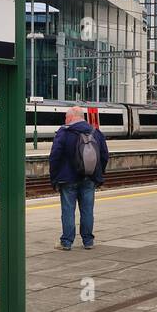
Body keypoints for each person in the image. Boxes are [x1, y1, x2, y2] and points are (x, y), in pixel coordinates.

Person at [49, 105, 110, 250]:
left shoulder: (64, 132)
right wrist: (97, 174)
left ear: (70, 117)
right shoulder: (96, 132)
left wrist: (54, 178)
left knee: (68, 211)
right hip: (89, 178)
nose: (65, 120)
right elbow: (104, 156)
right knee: (87, 210)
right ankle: (88, 241)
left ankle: (67, 242)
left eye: (66, 117)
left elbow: (54, 157)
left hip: (67, 179)